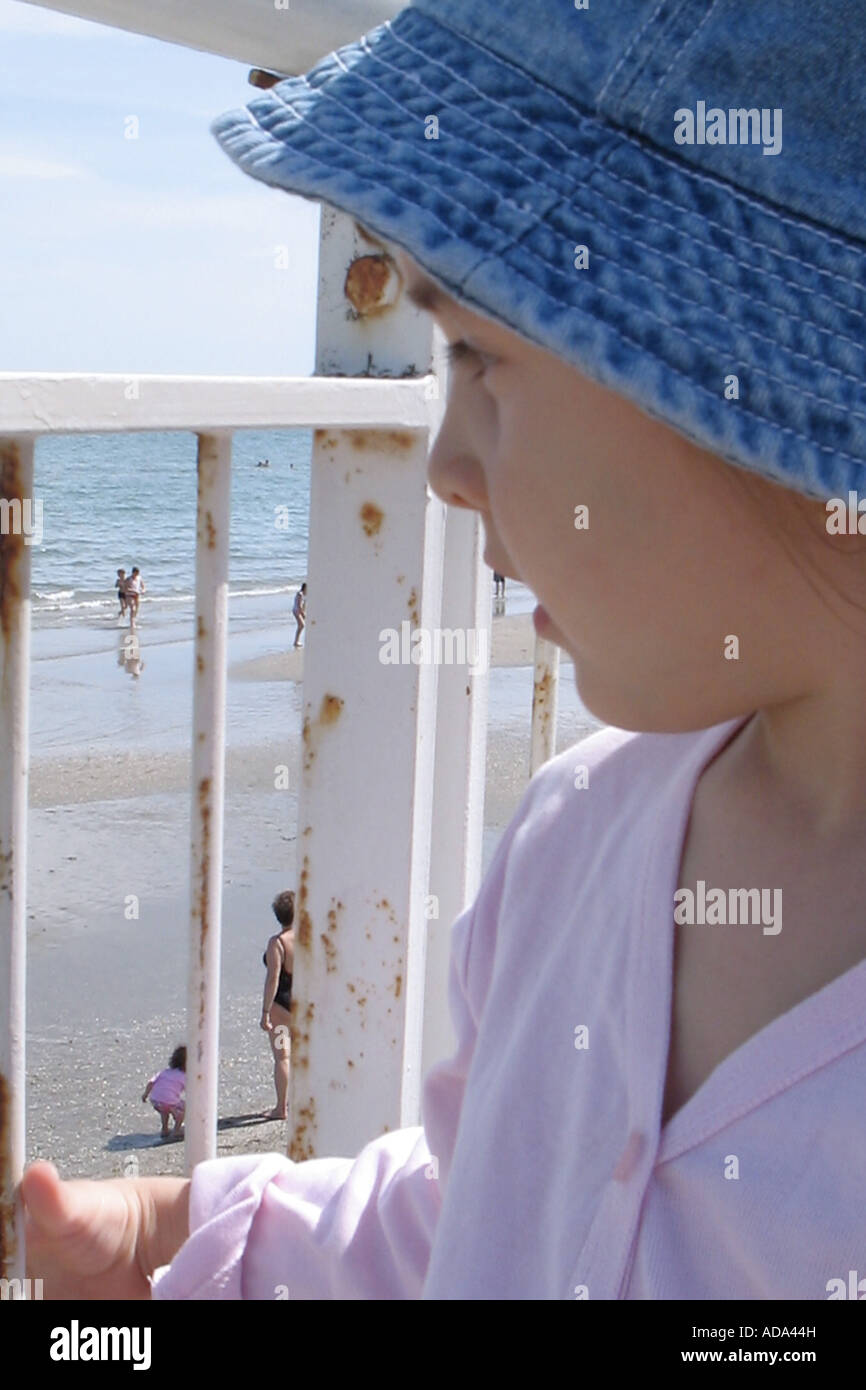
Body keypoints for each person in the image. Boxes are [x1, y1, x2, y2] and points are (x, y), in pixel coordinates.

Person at [19, 0, 866, 1301]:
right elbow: (479, 1209)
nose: (443, 465)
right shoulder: (571, 837)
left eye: (474, 354)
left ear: (739, 371)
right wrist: (177, 1235)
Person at [260, 891, 296, 1121]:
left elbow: (273, 978)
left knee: (283, 1056)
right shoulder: (308, 936)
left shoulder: (278, 942)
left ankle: (281, 1107)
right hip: (304, 1003)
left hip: (281, 1006)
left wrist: (265, 1012)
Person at [141, 1046, 186, 1142]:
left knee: (164, 1111)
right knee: (183, 1110)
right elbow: (190, 1090)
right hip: (170, 1101)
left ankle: (164, 1129)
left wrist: (145, 1094)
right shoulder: (184, 1076)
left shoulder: (164, 1072)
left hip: (156, 1100)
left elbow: (151, 1082)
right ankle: (177, 1130)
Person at [292, 581, 306, 649]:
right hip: (296, 611)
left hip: (299, 611)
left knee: (301, 626)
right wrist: (303, 614)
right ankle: (296, 641)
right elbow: (299, 605)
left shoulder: (304, 595)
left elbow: (304, 605)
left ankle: (296, 641)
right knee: (302, 625)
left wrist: (304, 612)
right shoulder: (300, 594)